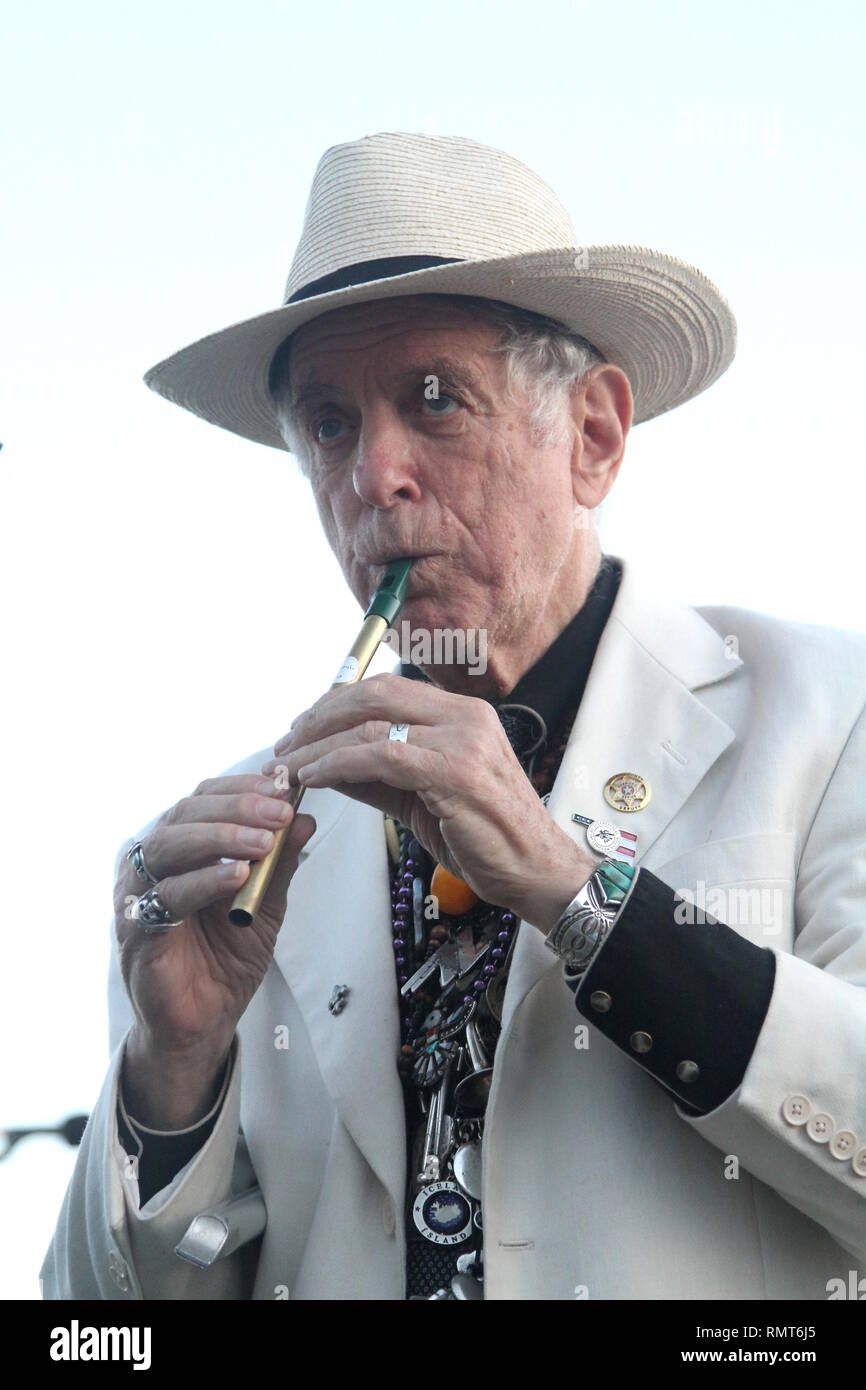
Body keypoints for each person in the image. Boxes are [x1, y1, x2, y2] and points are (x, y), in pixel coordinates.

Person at [42, 132, 866, 1301]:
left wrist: (574, 893)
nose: (373, 473)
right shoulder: (229, 862)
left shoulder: (829, 714)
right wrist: (169, 1072)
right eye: (329, 423)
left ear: (591, 436)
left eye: (434, 401)